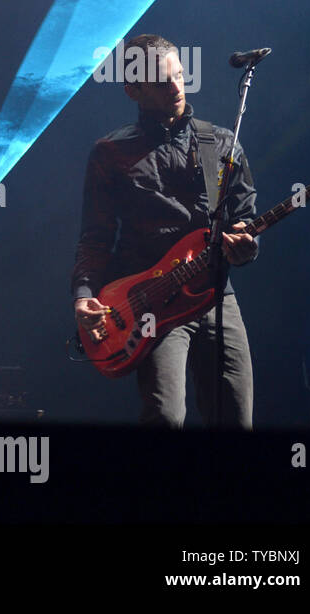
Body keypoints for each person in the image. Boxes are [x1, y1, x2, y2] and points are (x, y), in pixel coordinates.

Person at [71, 34, 259, 428]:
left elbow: (245, 217)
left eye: (179, 75)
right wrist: (84, 295)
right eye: (161, 81)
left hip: (216, 297)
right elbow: (96, 237)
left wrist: (246, 243)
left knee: (237, 422)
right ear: (133, 90)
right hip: (150, 305)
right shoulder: (110, 153)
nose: (176, 87)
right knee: (166, 417)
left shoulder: (223, 143)